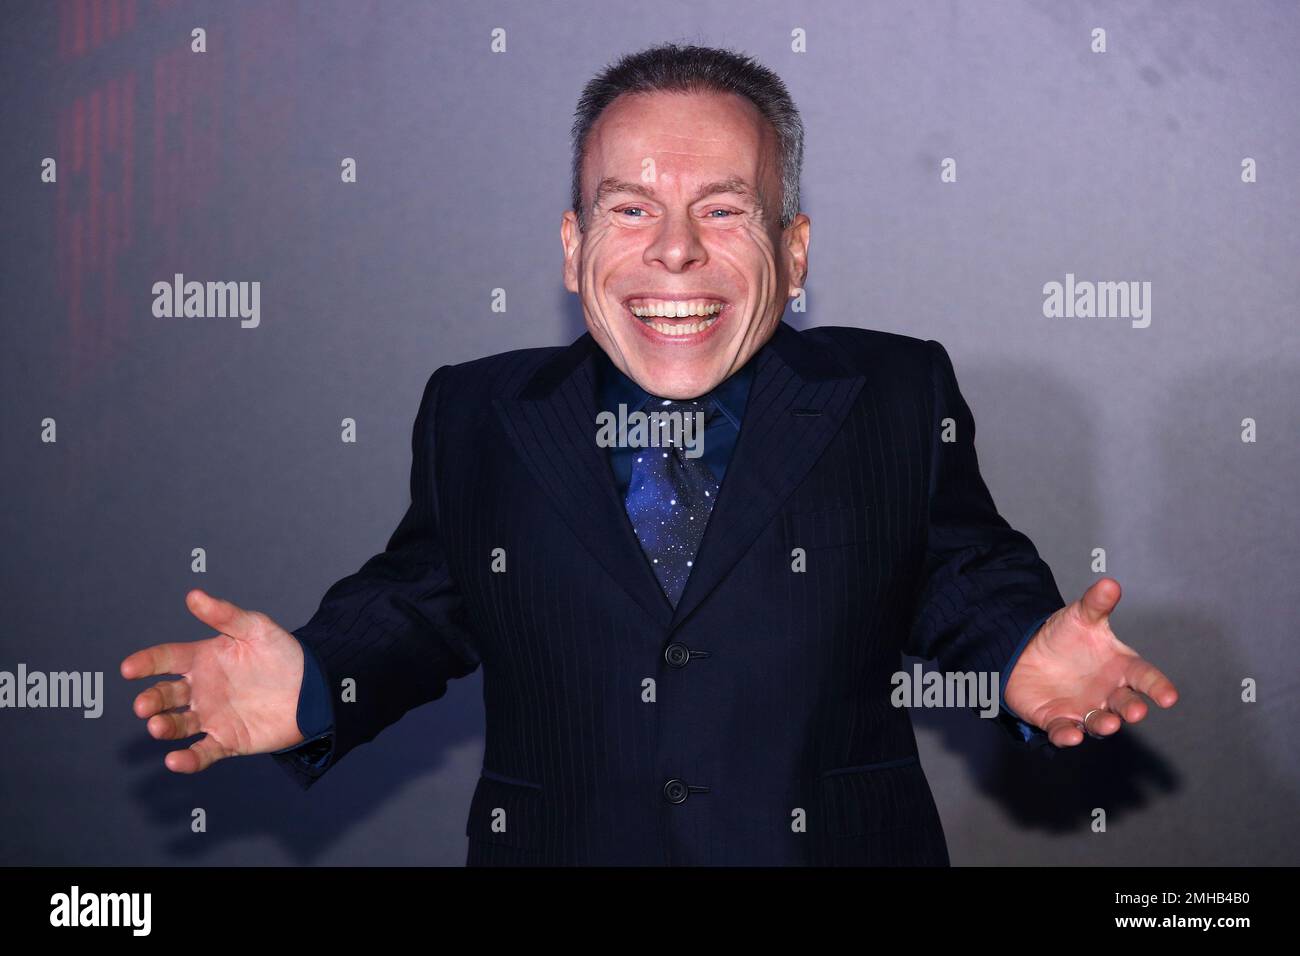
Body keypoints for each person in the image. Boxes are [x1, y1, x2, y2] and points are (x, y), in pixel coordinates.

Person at [121, 42, 1178, 866]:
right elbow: (418, 598)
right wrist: (317, 676)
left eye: (721, 210)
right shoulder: (478, 410)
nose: (674, 250)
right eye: (630, 209)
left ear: (793, 250)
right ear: (574, 248)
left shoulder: (893, 393)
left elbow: (960, 569)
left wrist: (1021, 649)